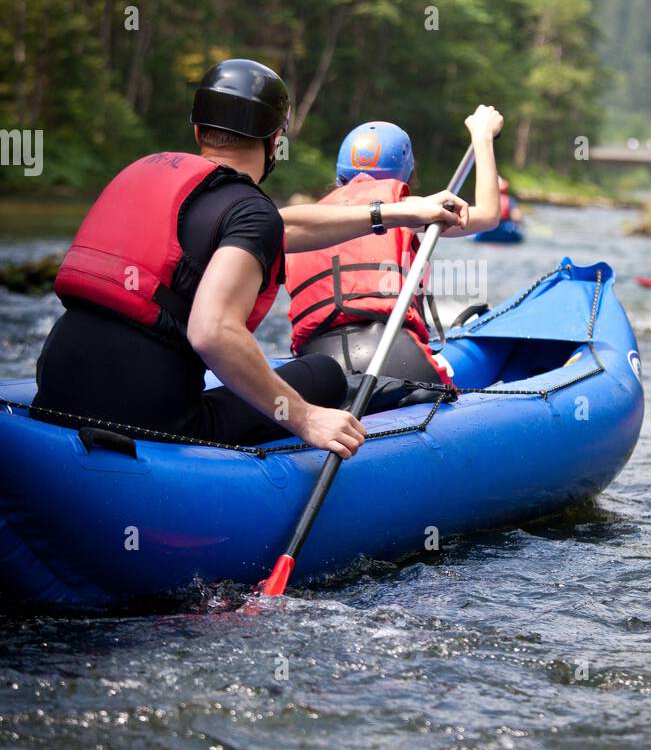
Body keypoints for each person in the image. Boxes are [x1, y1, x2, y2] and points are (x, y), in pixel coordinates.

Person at [34, 59, 468, 454]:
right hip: (154, 421)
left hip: (54, 389)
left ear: (199, 132)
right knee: (324, 373)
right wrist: (305, 417)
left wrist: (396, 213)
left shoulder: (150, 175)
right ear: (275, 140)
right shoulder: (248, 213)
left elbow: (283, 226)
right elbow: (212, 331)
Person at [284, 105, 504, 383]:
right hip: (394, 355)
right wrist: (482, 136)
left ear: (340, 175)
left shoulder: (311, 222)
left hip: (316, 366)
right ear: (406, 175)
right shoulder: (405, 209)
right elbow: (488, 215)